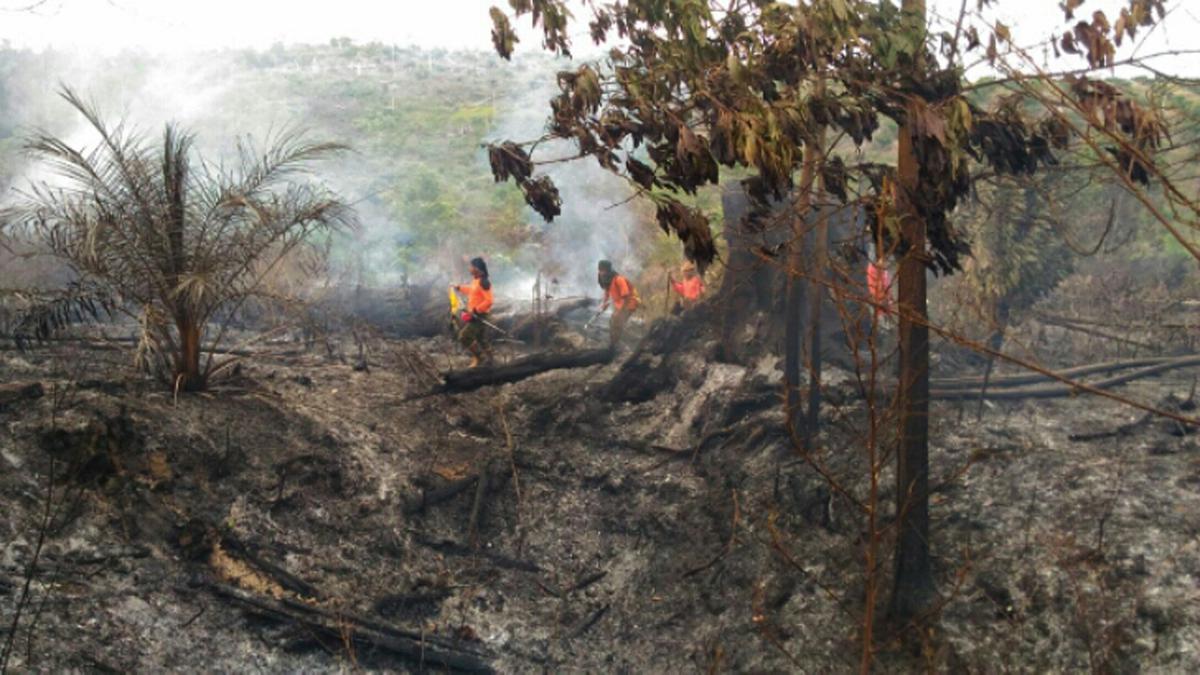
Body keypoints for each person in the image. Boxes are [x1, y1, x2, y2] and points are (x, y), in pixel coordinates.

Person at [451, 257, 495, 367]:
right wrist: (460, 288)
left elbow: (489, 301)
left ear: (477, 268)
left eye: (471, 267)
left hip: (479, 315)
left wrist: (476, 310)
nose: (469, 269)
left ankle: (480, 358)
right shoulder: (476, 280)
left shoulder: (484, 282)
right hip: (475, 314)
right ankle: (491, 360)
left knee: (464, 337)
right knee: (481, 339)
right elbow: (472, 290)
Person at [597, 259, 639, 348]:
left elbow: (626, 297)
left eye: (602, 270)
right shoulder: (607, 281)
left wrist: (619, 312)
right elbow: (607, 294)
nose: (601, 273)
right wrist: (604, 306)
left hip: (630, 303)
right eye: (600, 270)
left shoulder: (619, 279)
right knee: (612, 322)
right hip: (621, 304)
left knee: (617, 322)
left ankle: (617, 345)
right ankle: (614, 343)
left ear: (607, 270)